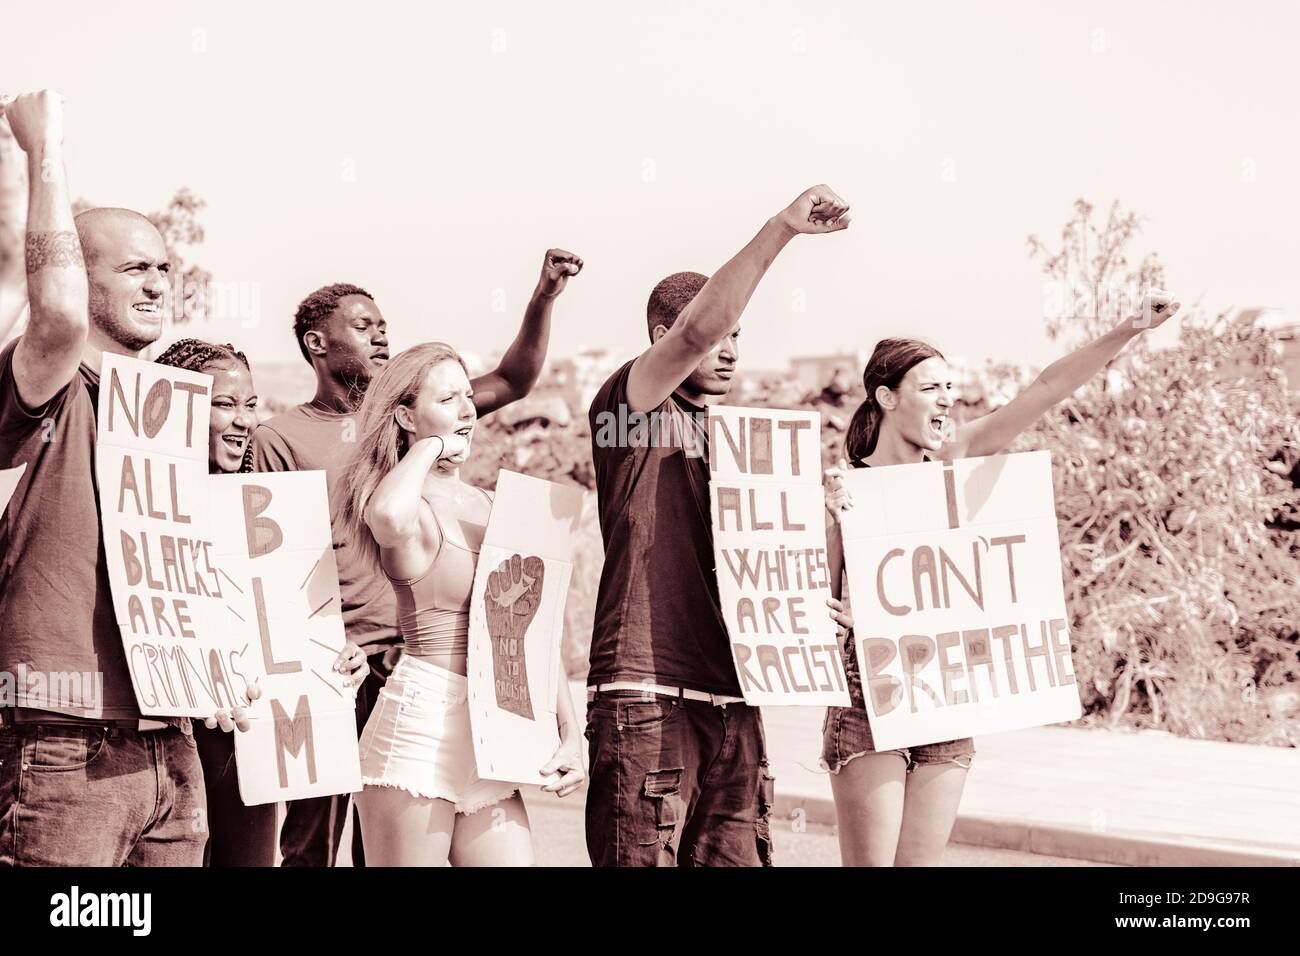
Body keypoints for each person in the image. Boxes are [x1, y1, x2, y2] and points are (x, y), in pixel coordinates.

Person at [821, 291, 1182, 866]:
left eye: (949, 385)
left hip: (944, 696)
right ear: (886, 397)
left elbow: (1044, 390)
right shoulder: (846, 490)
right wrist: (842, 613)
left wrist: (1130, 328)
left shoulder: (956, 459)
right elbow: (815, 599)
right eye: (930, 387)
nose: (948, 398)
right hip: (868, 697)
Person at [253, 249, 582, 866]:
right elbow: (279, 561)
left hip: (474, 706)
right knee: (316, 844)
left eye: (383, 324)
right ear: (315, 342)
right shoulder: (286, 438)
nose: (380, 332)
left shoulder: (463, 458)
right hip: (352, 669)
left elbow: (514, 379)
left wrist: (542, 297)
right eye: (362, 324)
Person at [0, 91, 251, 867]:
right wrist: (45, 153)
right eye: (133, 267)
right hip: (61, 740)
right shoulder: (48, 384)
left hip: (169, 748)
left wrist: (231, 660)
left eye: (164, 269)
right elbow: (57, 313)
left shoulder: (168, 412)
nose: (156, 283)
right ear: (84, 273)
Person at [585, 185, 851, 866]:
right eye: (719, 335)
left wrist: (805, 608)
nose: (728, 349)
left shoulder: (746, 442)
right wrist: (780, 229)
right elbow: (697, 330)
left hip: (739, 697)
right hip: (650, 696)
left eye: (740, 338)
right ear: (662, 338)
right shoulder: (632, 409)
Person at [335, 342, 585, 866]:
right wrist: (426, 446)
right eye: (449, 398)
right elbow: (388, 519)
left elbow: (536, 635)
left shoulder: (496, 505)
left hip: (494, 729)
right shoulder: (405, 506)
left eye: (469, 396)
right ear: (404, 414)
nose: (468, 409)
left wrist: (568, 732)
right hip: (421, 727)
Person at [154, 338, 370, 866]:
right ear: (178, 404)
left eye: (250, 405)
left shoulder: (268, 510)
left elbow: (293, 620)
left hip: (244, 744)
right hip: (159, 743)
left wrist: (336, 660)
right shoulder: (138, 505)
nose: (243, 420)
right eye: (224, 404)